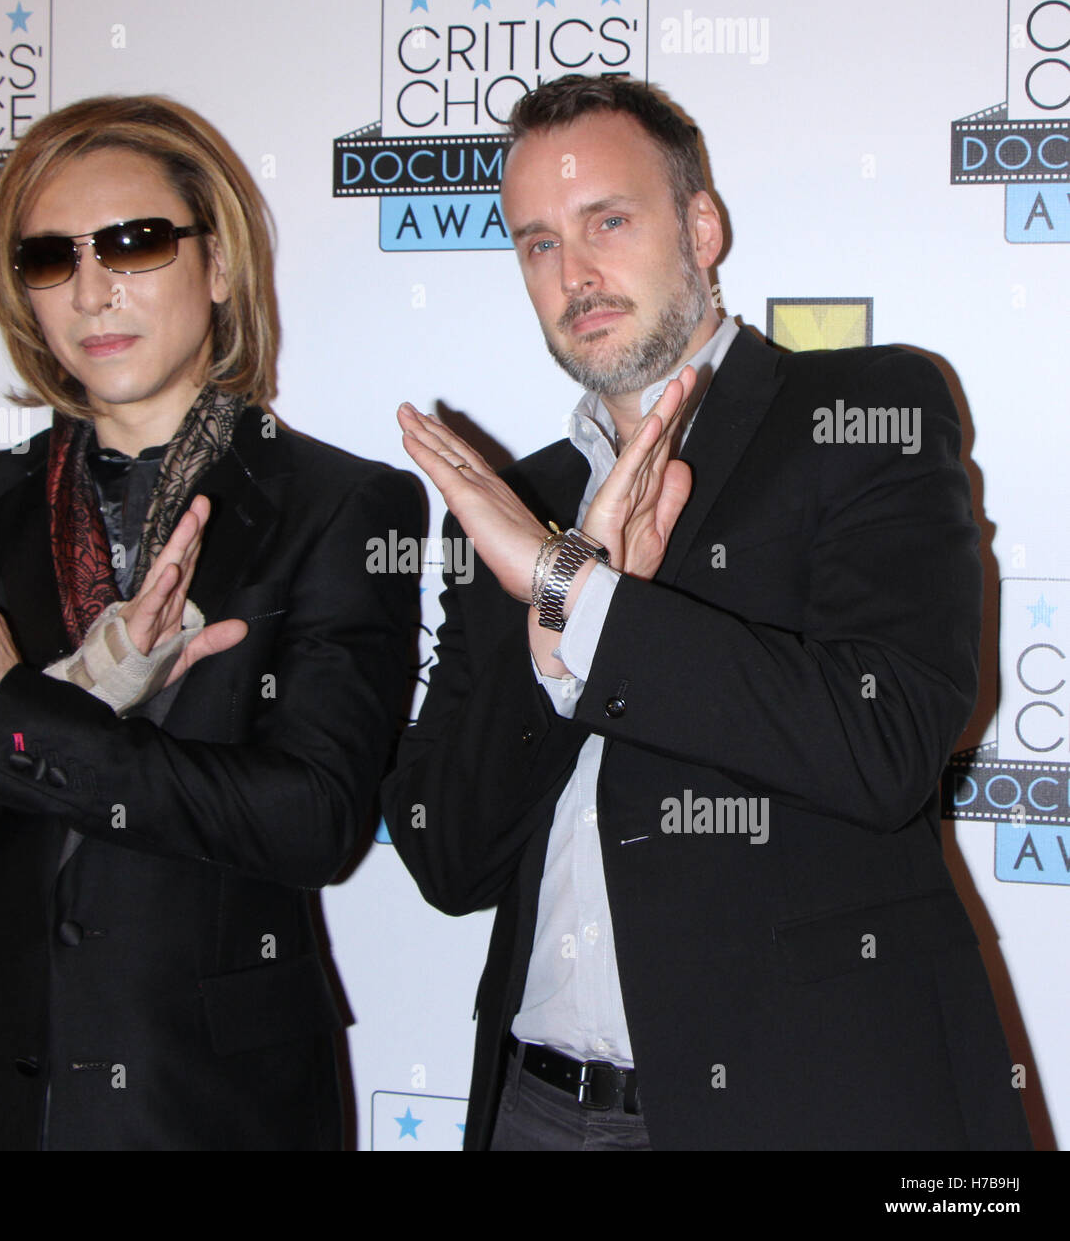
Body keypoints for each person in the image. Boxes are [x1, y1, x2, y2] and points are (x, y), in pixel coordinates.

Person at [384, 74, 1031, 1151]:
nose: (573, 272)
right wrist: (553, 637)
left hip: (804, 1104)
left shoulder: (859, 414)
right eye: (537, 242)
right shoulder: (512, 505)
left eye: (608, 220)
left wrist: (578, 598)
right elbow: (448, 858)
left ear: (701, 223)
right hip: (534, 1110)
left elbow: (887, 744)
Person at [0, 94, 421, 1151]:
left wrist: (27, 712)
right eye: (51, 258)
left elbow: (314, 818)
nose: (93, 289)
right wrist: (74, 695)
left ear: (220, 264)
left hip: (209, 1101)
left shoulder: (341, 506)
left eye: (135, 243)